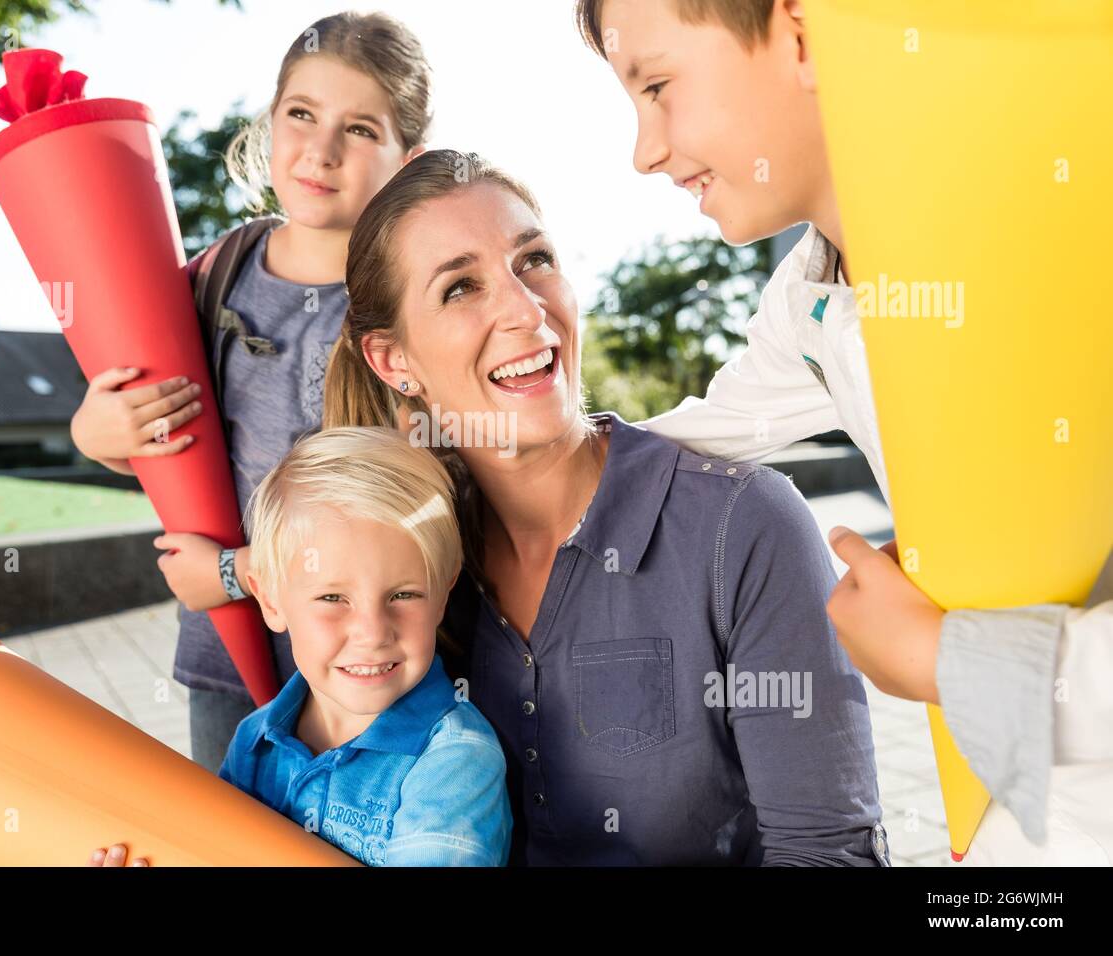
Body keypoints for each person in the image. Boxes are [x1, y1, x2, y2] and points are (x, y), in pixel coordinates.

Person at [574, 0, 1113, 863]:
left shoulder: (1065, 217)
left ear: (801, 34)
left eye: (660, 86)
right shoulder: (811, 298)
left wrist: (948, 664)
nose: (644, 151)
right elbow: (693, 435)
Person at [322, 148, 888, 866]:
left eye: (534, 261)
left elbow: (828, 854)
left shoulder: (740, 526)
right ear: (392, 361)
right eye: (461, 287)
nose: (526, 311)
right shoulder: (403, 572)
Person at [67, 12, 432, 772]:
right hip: (226, 661)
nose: (321, 150)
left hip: (373, 665)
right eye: (301, 114)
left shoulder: (415, 302)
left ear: (408, 160)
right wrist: (97, 437)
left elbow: (416, 507)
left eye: (360, 129)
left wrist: (236, 572)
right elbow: (162, 436)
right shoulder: (212, 275)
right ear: (270, 122)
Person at [89, 427, 512, 867]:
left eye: (403, 595)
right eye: (332, 598)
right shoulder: (255, 739)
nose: (372, 632)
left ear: (443, 594)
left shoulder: (455, 764)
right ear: (271, 600)